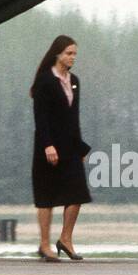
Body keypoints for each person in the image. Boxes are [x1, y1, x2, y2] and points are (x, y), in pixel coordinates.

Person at [30, 34, 91, 261]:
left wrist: (80, 148)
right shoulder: (45, 81)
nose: (73, 57)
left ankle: (65, 239)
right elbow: (41, 117)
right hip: (48, 147)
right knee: (46, 196)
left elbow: (73, 117)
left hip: (70, 146)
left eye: (75, 53)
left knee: (77, 194)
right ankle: (44, 245)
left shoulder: (74, 80)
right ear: (58, 54)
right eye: (69, 53)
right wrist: (48, 145)